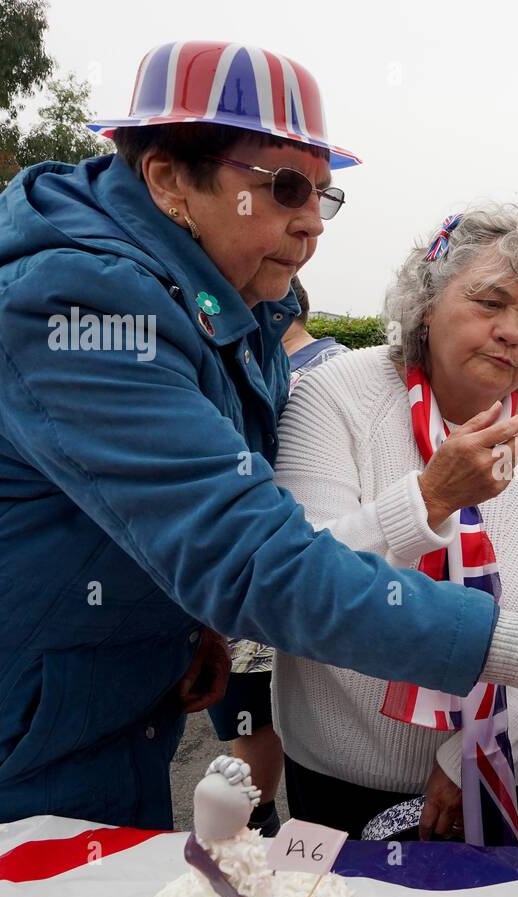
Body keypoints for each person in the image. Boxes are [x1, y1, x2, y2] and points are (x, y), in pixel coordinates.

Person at [0, 41, 518, 831]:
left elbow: (172, 513)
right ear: (168, 179)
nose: (312, 224)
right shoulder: (81, 303)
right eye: (285, 187)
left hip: (92, 720)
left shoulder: (223, 310)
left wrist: (190, 625)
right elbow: (268, 562)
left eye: (321, 194)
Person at [272, 206, 518, 842]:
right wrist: (430, 498)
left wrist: (475, 755)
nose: (512, 331)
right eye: (491, 302)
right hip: (335, 772)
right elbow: (297, 584)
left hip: (491, 766)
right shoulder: (333, 396)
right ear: (426, 304)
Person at [206, 275, 343, 837]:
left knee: (259, 716)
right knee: (261, 715)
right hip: (273, 565)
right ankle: (259, 823)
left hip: (278, 562)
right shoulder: (270, 368)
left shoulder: (320, 374)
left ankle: (255, 826)